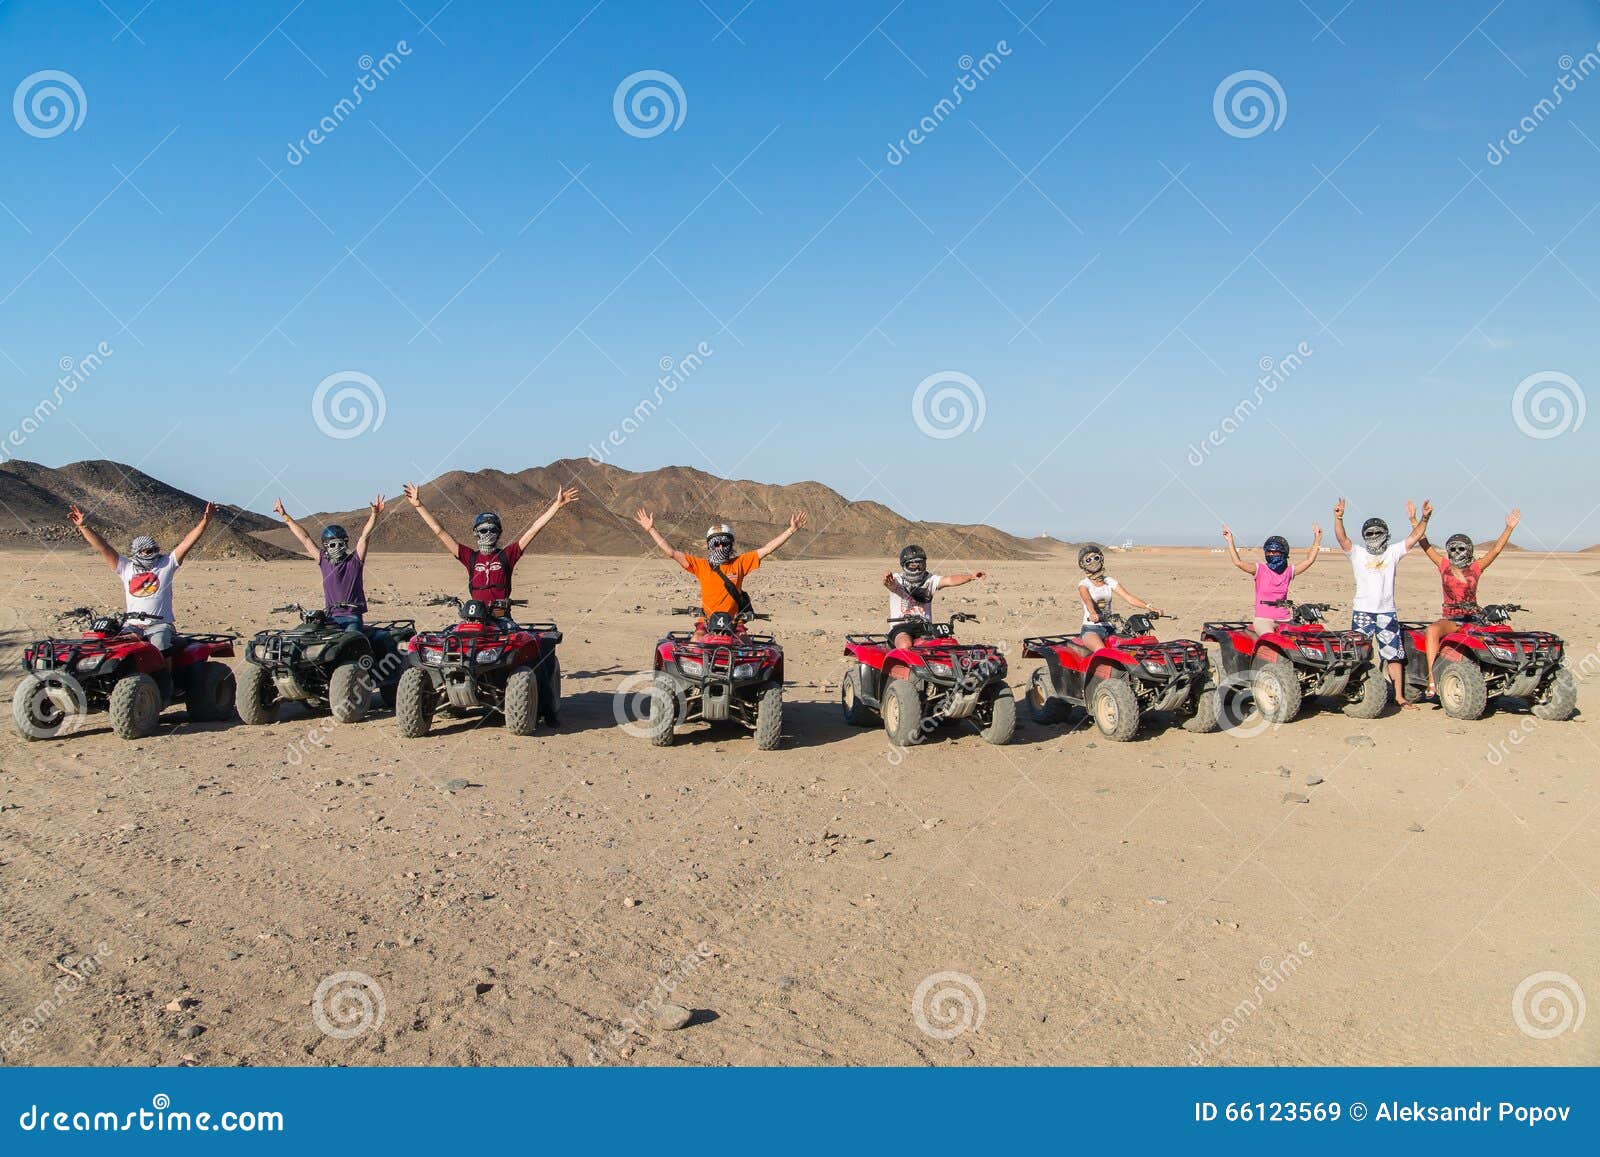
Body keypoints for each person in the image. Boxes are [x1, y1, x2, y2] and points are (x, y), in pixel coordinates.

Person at [67, 500, 216, 652]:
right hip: (132, 625)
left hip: (160, 625)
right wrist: (83, 527)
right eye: (148, 551)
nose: (153, 553)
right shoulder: (126, 567)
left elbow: (186, 543)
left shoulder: (166, 563)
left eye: (154, 549)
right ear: (137, 552)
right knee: (117, 649)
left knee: (160, 647)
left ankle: (165, 676)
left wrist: (205, 521)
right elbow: (103, 547)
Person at [403, 481, 580, 607]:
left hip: (501, 615)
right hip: (475, 615)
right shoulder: (470, 557)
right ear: (476, 533)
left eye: (493, 530)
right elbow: (440, 531)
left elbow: (533, 530)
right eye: (483, 530)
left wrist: (557, 506)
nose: (488, 534)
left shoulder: (507, 555)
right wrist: (419, 505)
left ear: (499, 533)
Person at [1408, 506, 1521, 698]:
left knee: (1499, 635)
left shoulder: (1476, 567)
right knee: (1433, 631)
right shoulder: (1443, 565)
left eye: (1461, 548)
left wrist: (1509, 527)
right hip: (1452, 619)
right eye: (1453, 548)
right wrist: (1413, 519)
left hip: (1473, 618)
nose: (1456, 552)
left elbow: (1495, 550)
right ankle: (1431, 679)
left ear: (1469, 550)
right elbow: (1425, 543)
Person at [634, 509, 808, 632]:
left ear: (730, 544)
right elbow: (671, 552)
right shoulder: (700, 566)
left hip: (735, 623)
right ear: (710, 545)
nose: (720, 547)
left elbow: (768, 549)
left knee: (744, 647)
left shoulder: (740, 563)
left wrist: (791, 530)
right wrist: (651, 529)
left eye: (725, 543)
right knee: (696, 644)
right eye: (716, 543)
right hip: (707, 622)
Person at [1332, 496, 1432, 707]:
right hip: (1362, 613)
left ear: (1386, 534)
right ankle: (1357, 693)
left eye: (1378, 532)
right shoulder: (1357, 553)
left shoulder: (1393, 552)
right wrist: (1339, 517)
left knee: (1393, 655)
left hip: (1387, 613)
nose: (1374, 536)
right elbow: (1342, 539)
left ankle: (1398, 696)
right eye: (1370, 533)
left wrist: (1424, 518)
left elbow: (1414, 536)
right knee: (1358, 655)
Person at [273, 495, 385, 626]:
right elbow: (305, 538)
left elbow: (364, 537)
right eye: (332, 545)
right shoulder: (324, 561)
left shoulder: (355, 561)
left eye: (340, 544)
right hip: (330, 617)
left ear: (345, 544)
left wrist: (374, 515)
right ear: (326, 546)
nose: (336, 548)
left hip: (352, 617)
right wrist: (285, 516)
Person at [1220, 523, 1323, 634]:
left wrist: (1317, 539)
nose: (1272, 554)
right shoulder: (1259, 569)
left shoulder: (1288, 572)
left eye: (1275, 552)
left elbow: (1309, 560)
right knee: (1271, 640)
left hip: (1285, 619)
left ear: (1283, 553)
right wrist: (1230, 540)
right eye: (1269, 552)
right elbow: (1238, 562)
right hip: (1264, 620)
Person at [882, 544, 986, 649]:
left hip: (926, 626)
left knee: (947, 645)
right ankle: (904, 664)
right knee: (905, 644)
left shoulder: (930, 579)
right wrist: (887, 580)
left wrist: (970, 577)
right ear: (904, 565)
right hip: (901, 627)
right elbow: (890, 584)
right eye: (912, 564)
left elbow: (949, 580)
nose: (917, 567)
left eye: (920, 564)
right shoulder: (897, 579)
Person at [1075, 543, 1160, 648]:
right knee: (1102, 651)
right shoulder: (1084, 584)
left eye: (1096, 558)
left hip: (1110, 627)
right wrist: (1093, 614)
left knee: (1129, 648)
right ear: (1082, 564)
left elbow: (1128, 597)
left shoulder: (1109, 581)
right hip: (1091, 628)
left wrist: (1150, 607)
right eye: (1088, 560)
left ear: (1101, 559)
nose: (1093, 562)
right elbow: (1087, 600)